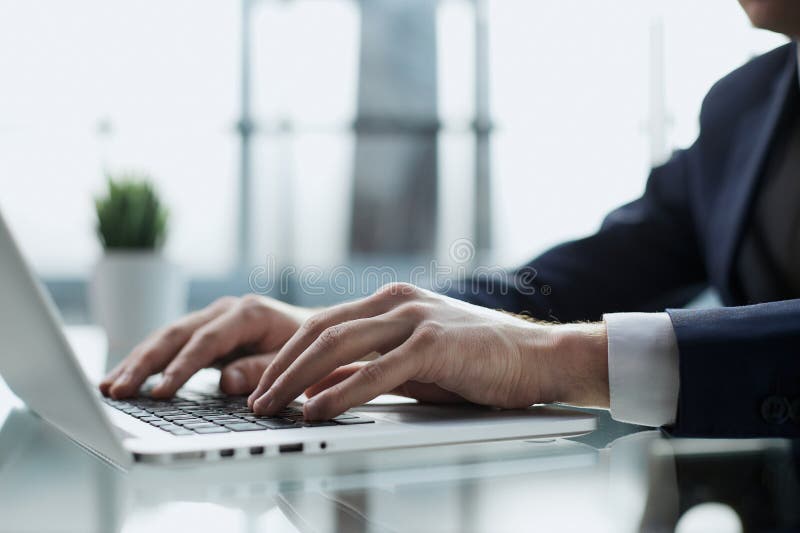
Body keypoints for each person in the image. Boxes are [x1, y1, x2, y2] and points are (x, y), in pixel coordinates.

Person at [100, 0, 800, 438]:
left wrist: (556, 361)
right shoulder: (741, 107)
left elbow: (541, 338)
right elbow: (560, 287)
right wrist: (350, 329)